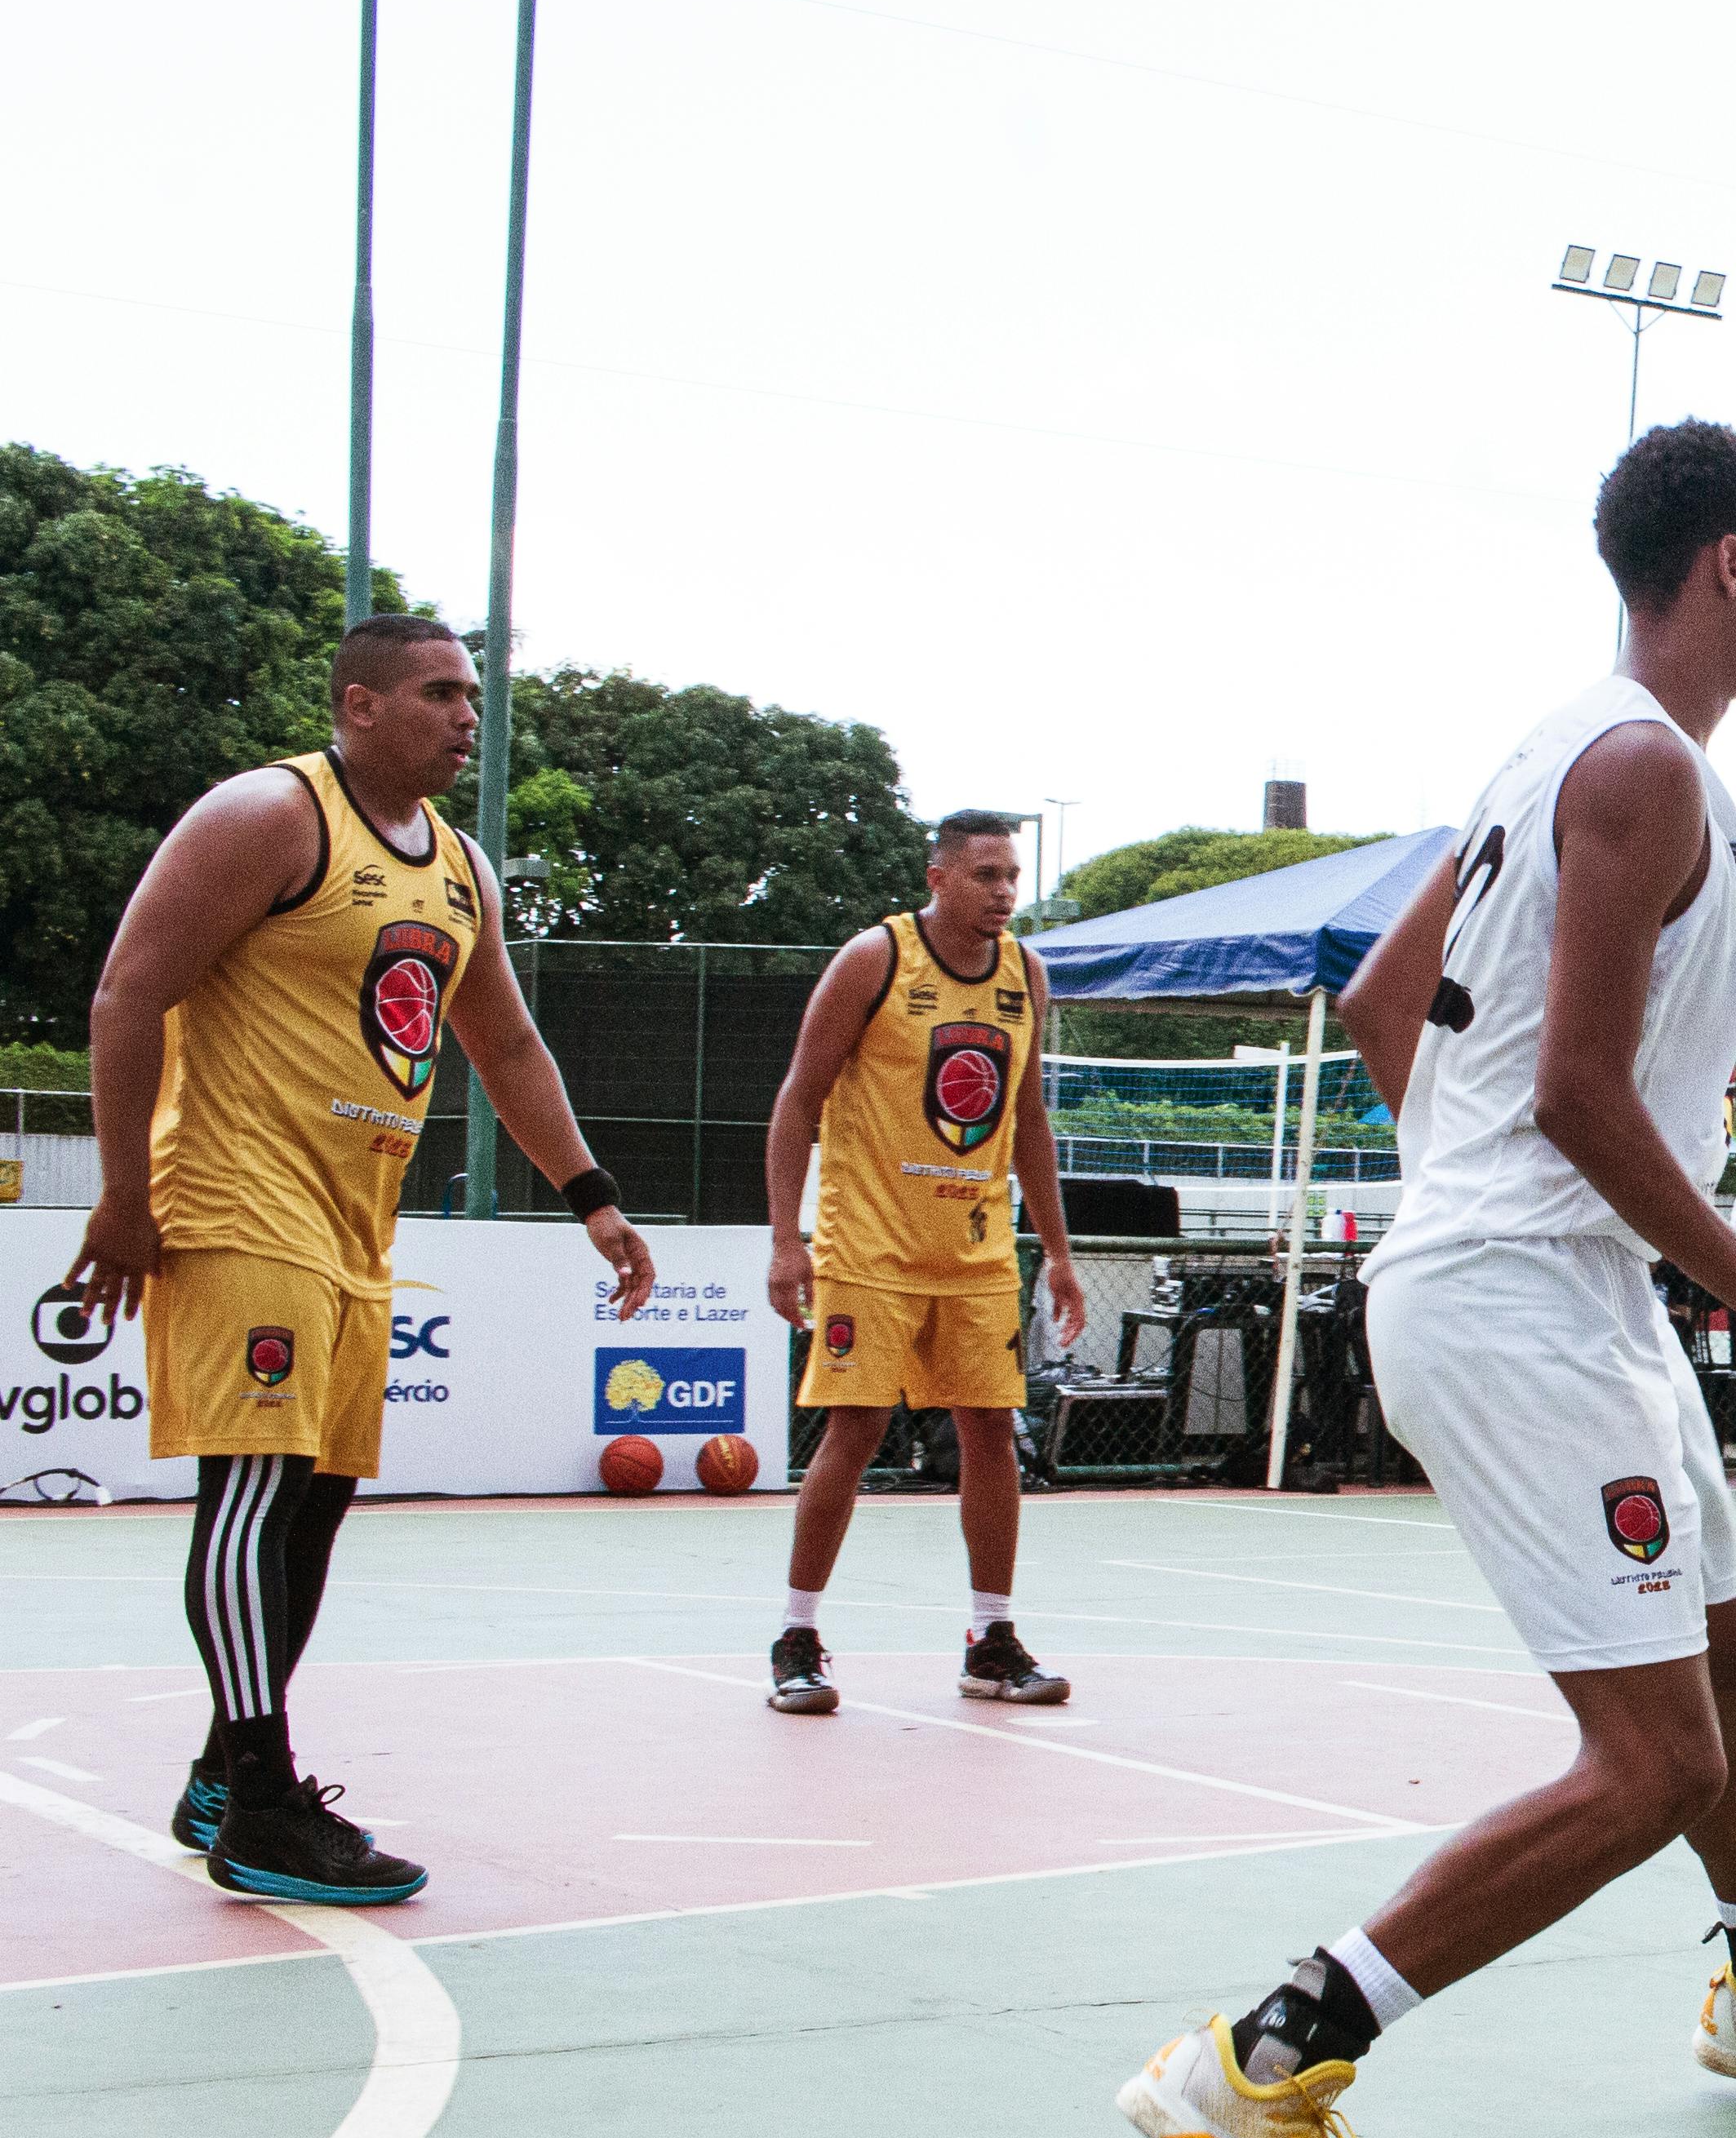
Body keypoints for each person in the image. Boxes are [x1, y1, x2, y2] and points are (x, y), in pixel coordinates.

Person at [1115, 421, 1736, 2138]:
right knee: (1647, 1755)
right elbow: (1578, 1095)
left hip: (1547, 1279)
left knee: (1728, 1665)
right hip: (1523, 1293)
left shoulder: (1546, 748)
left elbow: (1377, 999)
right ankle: (1266, 2056)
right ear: (1728, 562)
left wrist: (1465, 1173)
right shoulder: (1641, 766)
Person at [70, 613, 657, 1905]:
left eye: (473, 696)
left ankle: (225, 1767)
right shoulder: (269, 816)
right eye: (441, 693)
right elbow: (129, 991)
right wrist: (124, 1197)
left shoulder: (459, 868)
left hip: (354, 1227)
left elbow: (504, 1047)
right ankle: (265, 1799)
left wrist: (592, 1196)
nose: (468, 717)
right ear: (360, 707)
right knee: (256, 1494)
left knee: (316, 1506)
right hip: (235, 1199)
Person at [755, 812, 1086, 1714]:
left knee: (991, 1437)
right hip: (869, 1245)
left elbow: (1026, 1123)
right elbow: (798, 1100)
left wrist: (1057, 1252)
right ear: (938, 878)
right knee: (854, 1431)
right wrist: (789, 1240)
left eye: (1012, 875)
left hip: (976, 1253)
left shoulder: (1027, 973)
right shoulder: (876, 959)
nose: (1005, 893)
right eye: (986, 874)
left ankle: (991, 1637)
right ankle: (798, 1633)